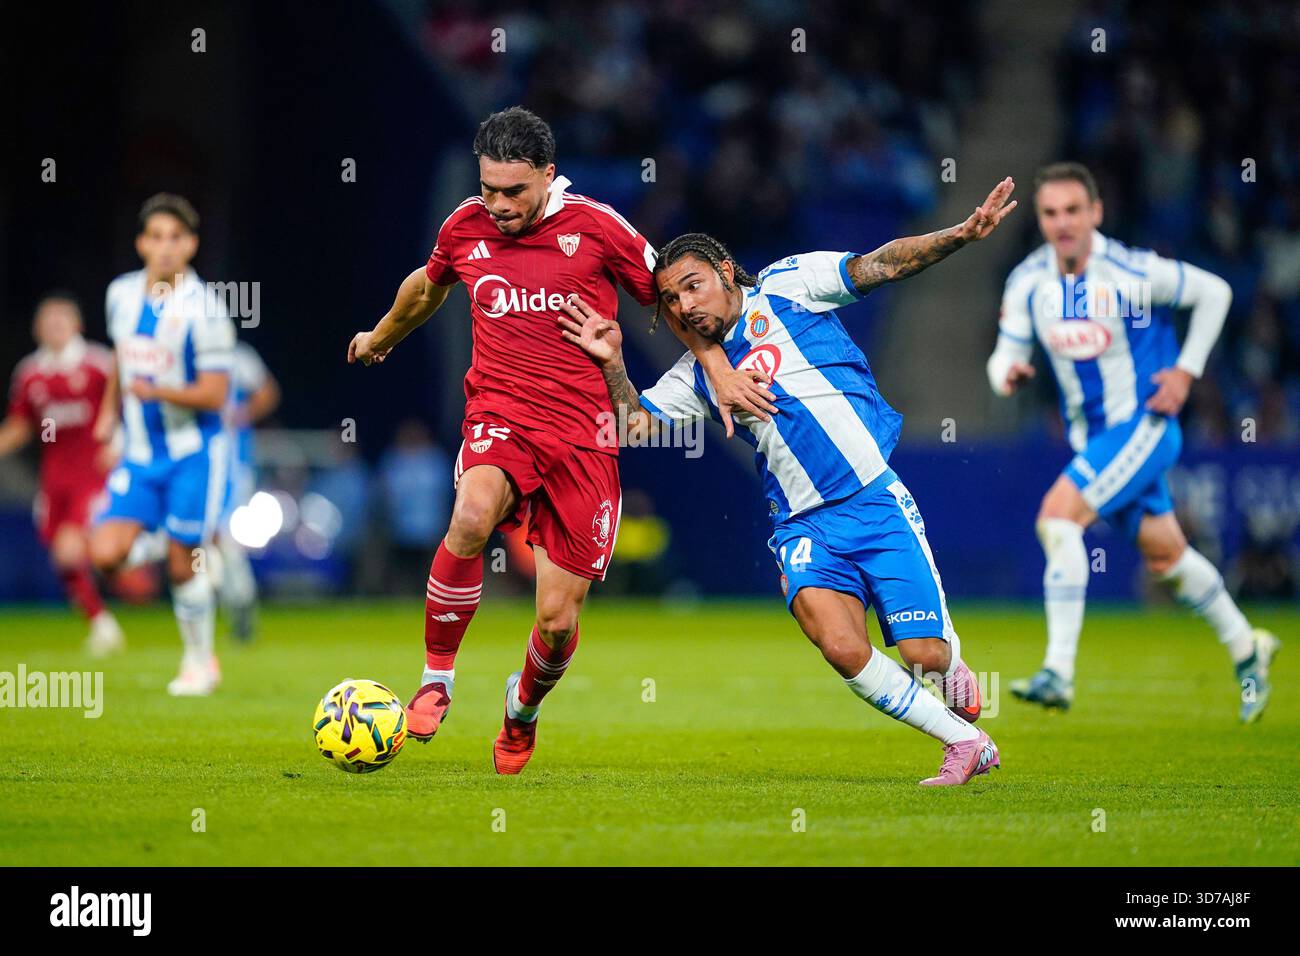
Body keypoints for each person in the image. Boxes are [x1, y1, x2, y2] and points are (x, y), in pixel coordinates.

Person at [348, 107, 770, 774]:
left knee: (555, 621)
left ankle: (521, 711)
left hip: (583, 439)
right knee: (469, 514)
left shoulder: (598, 228)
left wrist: (718, 367)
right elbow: (427, 289)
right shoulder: (464, 226)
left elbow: (670, 297)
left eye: (514, 191)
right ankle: (436, 679)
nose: (499, 204)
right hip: (500, 415)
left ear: (548, 175)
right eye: (489, 188)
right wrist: (380, 337)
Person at [559, 176, 1018, 786]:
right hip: (802, 524)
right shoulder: (696, 374)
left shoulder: (790, 285)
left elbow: (878, 265)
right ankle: (965, 743)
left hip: (874, 501)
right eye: (671, 301)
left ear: (726, 271)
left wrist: (959, 235)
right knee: (839, 644)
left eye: (692, 286)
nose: (685, 306)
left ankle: (950, 662)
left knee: (923, 658)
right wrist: (612, 362)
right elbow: (635, 426)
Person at [986, 162, 1279, 722]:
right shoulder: (1028, 282)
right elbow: (1004, 354)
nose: (1063, 223)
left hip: (1145, 428)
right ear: (1041, 219)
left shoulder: (1131, 272)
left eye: (1074, 210)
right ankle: (1248, 649)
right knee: (1167, 556)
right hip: (1094, 443)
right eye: (1050, 213)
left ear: (1096, 213)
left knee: (1057, 519)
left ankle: (1058, 672)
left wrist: (1187, 372)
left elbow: (1215, 293)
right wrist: (1007, 375)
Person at [89, 193, 236, 697]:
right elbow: (119, 359)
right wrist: (109, 416)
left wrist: (159, 391)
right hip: (140, 454)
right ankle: (164, 542)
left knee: (182, 565)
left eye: (176, 237)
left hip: (194, 453)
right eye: (156, 237)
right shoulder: (120, 295)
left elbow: (216, 394)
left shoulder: (207, 310)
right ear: (140, 243)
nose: (165, 247)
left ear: (191, 244)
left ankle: (200, 664)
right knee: (106, 554)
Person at [0, 292, 122, 654]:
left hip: (93, 474)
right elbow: (21, 424)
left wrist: (119, 443)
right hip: (54, 479)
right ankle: (102, 623)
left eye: (61, 319)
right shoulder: (30, 373)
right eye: (48, 320)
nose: (54, 326)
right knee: (61, 555)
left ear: (77, 325)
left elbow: (127, 403)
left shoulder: (98, 364)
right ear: (37, 328)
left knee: (71, 551)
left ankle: (148, 548)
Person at [217, 340, 280, 641]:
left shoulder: (237, 355)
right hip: (191, 463)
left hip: (231, 463)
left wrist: (239, 415)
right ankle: (234, 601)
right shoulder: (177, 351)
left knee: (226, 538)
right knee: (207, 542)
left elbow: (268, 392)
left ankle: (239, 600)